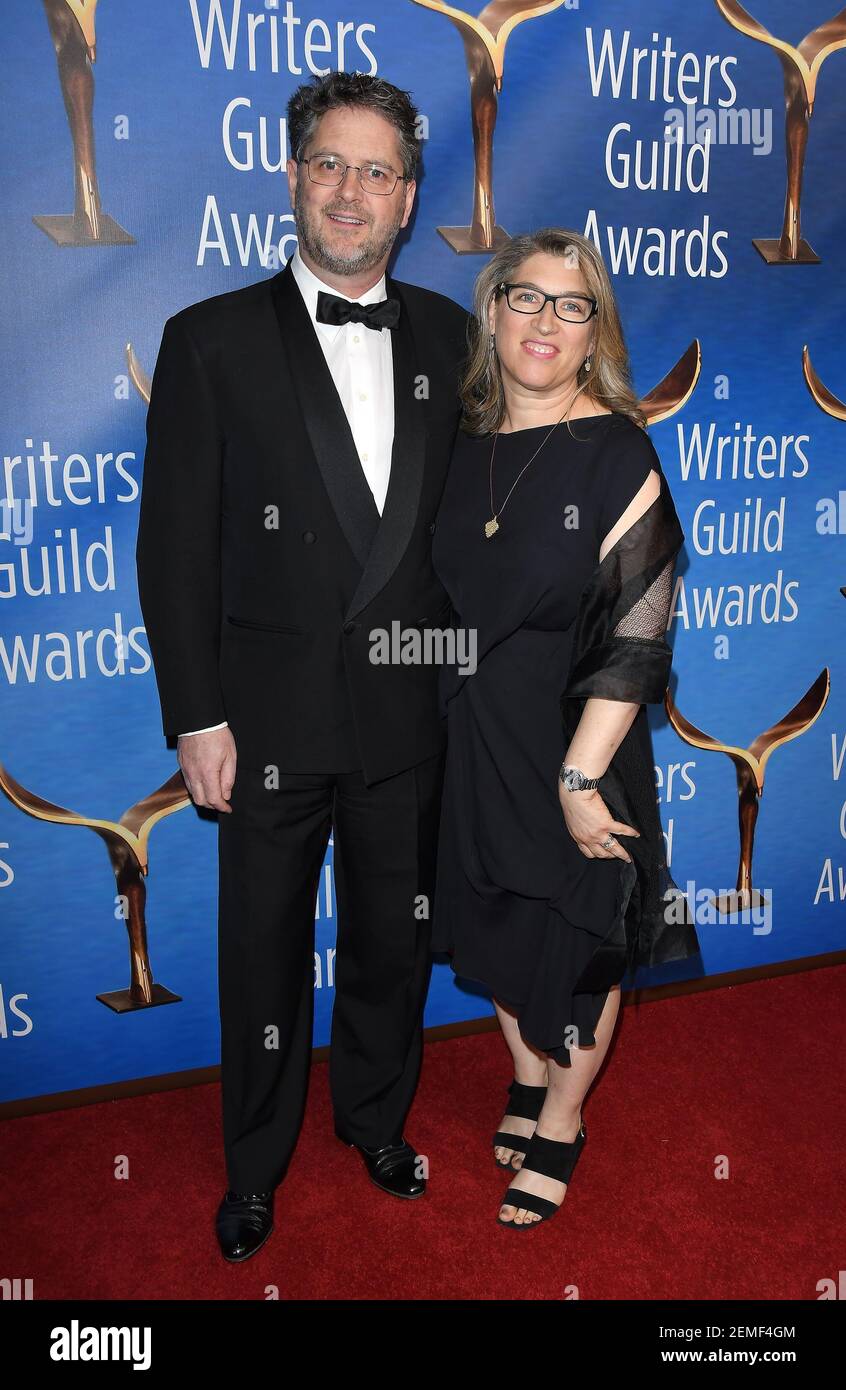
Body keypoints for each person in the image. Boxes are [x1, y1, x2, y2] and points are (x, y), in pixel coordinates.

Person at [135, 71, 470, 1262]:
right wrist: (196, 715)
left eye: (377, 171)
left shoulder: (451, 333)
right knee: (262, 953)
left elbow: (470, 536)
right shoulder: (209, 341)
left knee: (393, 940)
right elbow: (172, 550)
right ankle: (255, 1166)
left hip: (407, 719)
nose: (350, 190)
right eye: (330, 163)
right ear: (291, 175)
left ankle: (376, 1119)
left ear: (410, 196)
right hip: (264, 723)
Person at [430, 227, 701, 1228]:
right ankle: (528, 1070)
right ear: (494, 312)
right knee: (496, 925)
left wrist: (581, 779)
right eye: (526, 298)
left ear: (597, 333)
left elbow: (640, 633)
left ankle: (565, 1117)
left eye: (573, 304)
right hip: (475, 734)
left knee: (581, 929)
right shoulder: (462, 446)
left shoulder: (617, 451)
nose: (546, 321)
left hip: (577, 737)